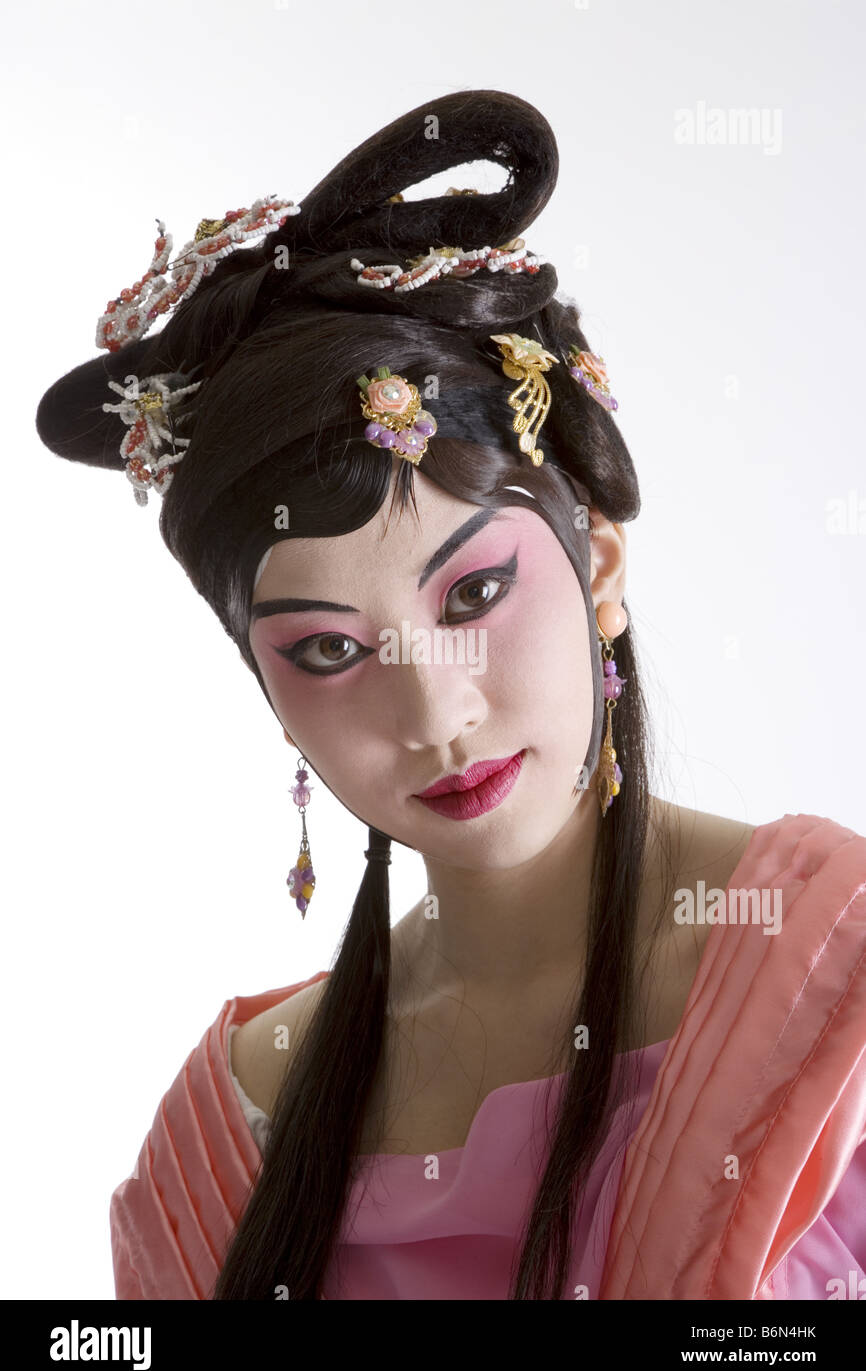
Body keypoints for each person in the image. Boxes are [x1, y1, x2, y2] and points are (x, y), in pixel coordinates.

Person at [35, 89, 866, 1302]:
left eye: (472, 595)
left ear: (600, 565)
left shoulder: (829, 983)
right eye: (326, 652)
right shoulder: (227, 1134)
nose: (431, 716)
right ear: (268, 693)